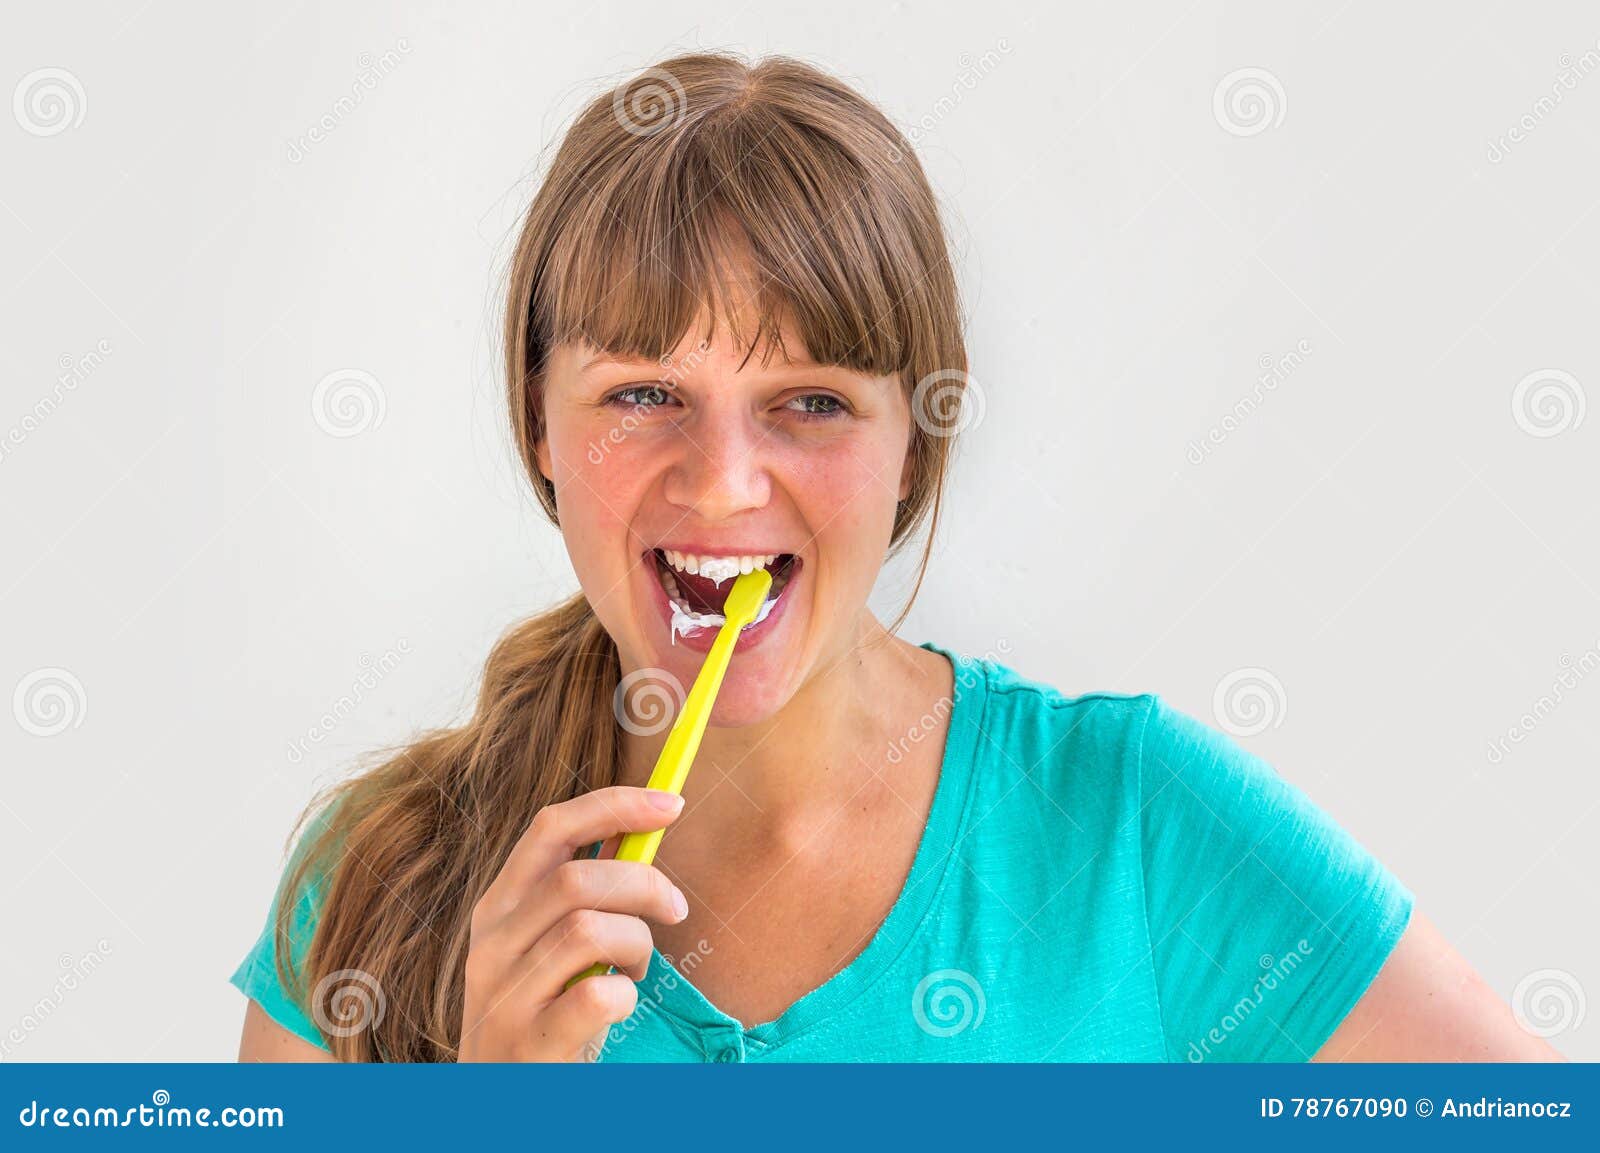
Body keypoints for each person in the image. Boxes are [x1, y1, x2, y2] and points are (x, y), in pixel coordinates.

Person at [231, 51, 1558, 1063]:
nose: (724, 481)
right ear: (539, 427)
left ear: (914, 444)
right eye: (644, 392)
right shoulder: (373, 882)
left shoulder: (1138, 825)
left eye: (811, 401)